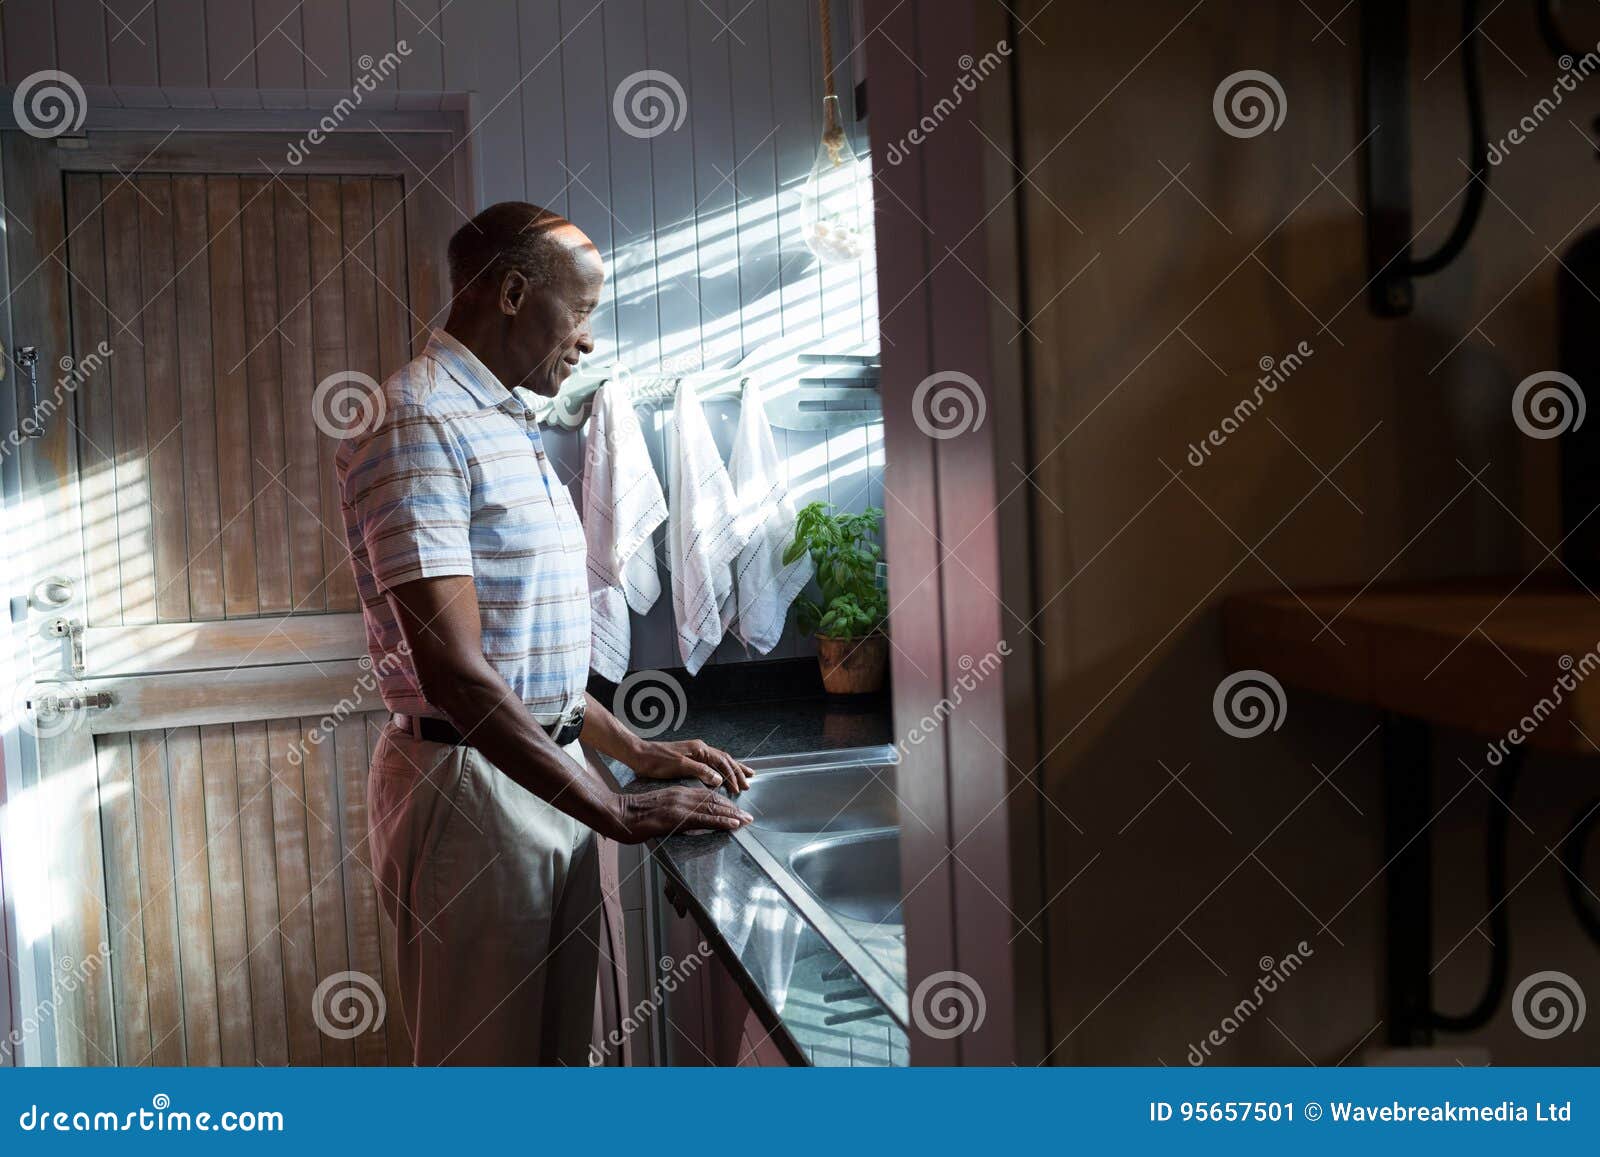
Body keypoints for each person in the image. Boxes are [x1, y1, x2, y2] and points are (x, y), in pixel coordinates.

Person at [336, 201, 754, 1065]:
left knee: (560, 1066)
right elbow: (455, 672)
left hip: (540, 772)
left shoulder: (503, 420)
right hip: (475, 790)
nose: (590, 340)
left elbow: (526, 664)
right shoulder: (419, 417)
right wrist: (614, 805)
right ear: (516, 292)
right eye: (584, 311)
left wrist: (634, 751)